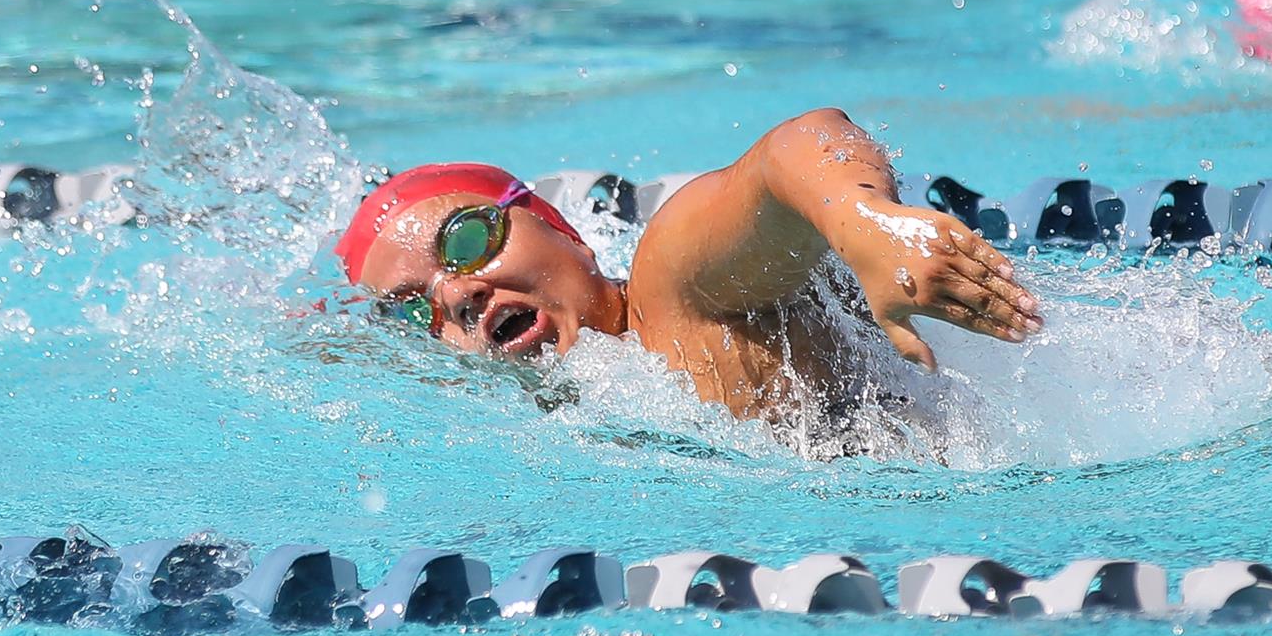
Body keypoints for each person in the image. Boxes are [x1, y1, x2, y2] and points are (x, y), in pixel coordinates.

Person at [334, 109, 1044, 424]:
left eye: (465, 241)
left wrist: (866, 224)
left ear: (565, 231)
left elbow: (798, 145)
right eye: (415, 309)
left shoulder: (671, 287)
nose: (457, 292)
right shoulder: (585, 417)